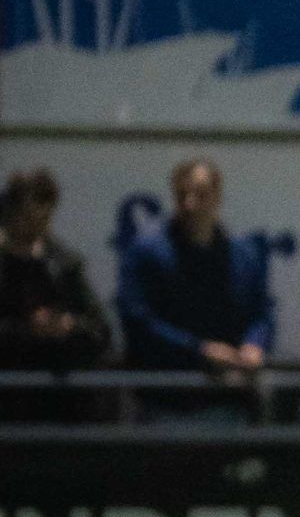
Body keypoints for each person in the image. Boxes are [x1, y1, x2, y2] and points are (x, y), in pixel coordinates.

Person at [115, 159, 274, 377]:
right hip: (167, 390)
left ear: (217, 197)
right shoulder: (147, 253)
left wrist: (254, 345)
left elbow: (261, 312)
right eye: (182, 195)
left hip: (231, 392)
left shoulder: (243, 257)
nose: (190, 204)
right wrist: (198, 349)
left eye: (200, 195)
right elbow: (137, 320)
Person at [0, 168, 111, 371]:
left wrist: (69, 325)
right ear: (11, 211)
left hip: (58, 385)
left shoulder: (63, 263)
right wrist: (26, 330)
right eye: (29, 218)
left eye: (44, 219)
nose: (37, 227)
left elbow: (99, 327)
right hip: (2, 381)